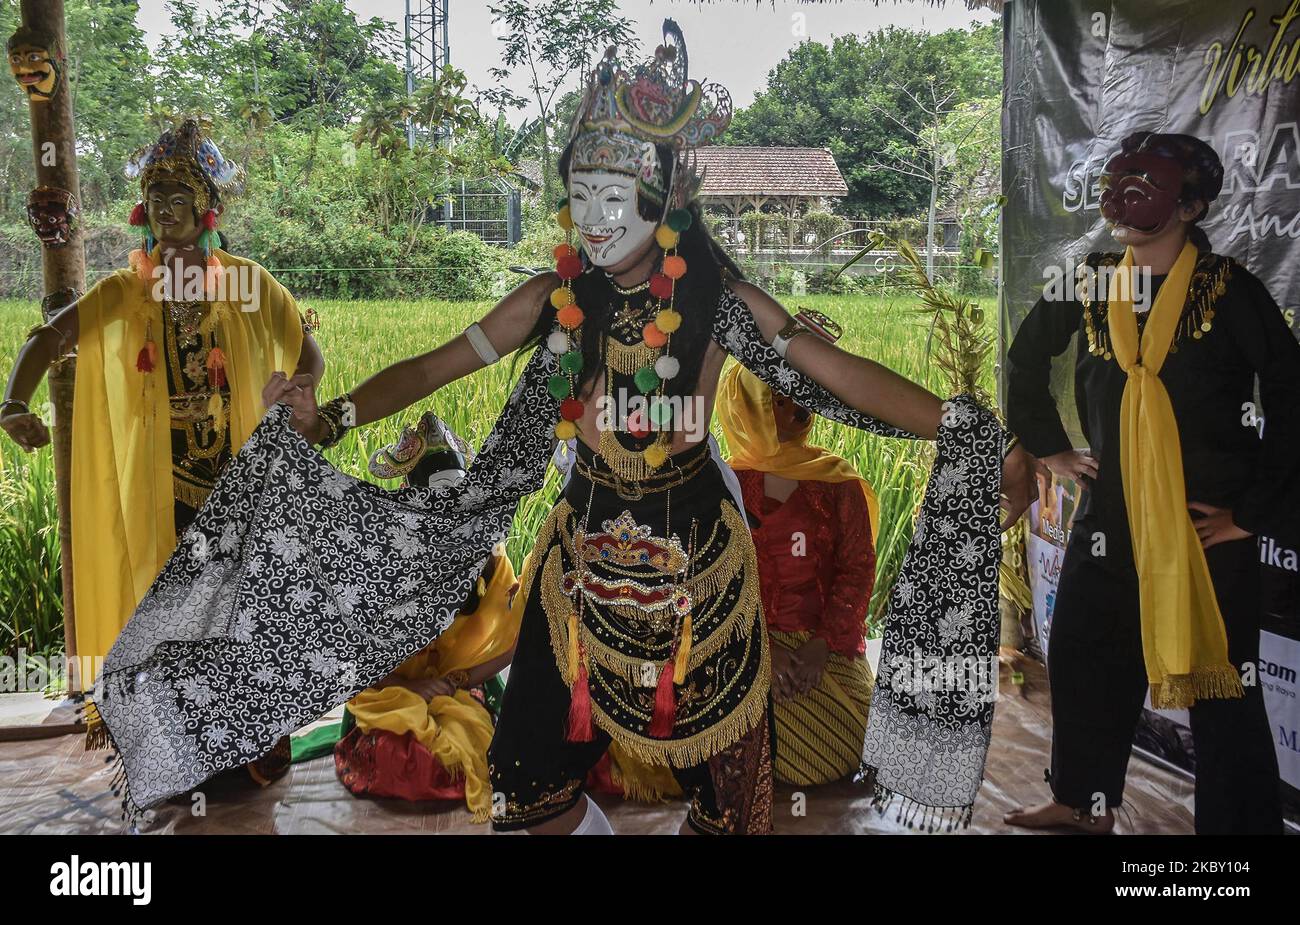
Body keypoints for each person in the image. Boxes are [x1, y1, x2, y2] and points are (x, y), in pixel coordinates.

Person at [93, 21, 1033, 830]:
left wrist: (962, 426)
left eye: (612, 198)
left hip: (699, 560)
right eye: (577, 196)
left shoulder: (721, 300)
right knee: (525, 783)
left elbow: (843, 375)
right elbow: (436, 364)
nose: (590, 220)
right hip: (577, 564)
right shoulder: (554, 300)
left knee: (735, 799)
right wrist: (331, 412)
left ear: (662, 199)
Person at [0, 118, 324, 784]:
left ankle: (244, 756)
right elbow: (46, 340)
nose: (168, 204)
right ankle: (175, 756)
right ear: (143, 209)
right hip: (164, 497)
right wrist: (13, 403)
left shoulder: (249, 284)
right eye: (157, 192)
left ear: (211, 207)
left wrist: (301, 396)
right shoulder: (125, 291)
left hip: (235, 490)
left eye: (181, 189)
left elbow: (308, 354)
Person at [1003, 131, 1297, 834]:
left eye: (1148, 182)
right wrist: (1049, 449)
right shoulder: (1094, 277)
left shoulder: (1230, 291)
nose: (1127, 194)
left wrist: (1251, 513)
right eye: (1121, 178)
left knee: (1223, 689)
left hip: (1202, 530)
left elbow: (1292, 393)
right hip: (1109, 516)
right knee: (1082, 659)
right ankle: (1083, 803)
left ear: (1190, 204)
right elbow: (1024, 359)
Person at [716, 310, 879, 787]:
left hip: (819, 645)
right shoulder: (722, 484)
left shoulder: (837, 483)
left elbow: (856, 571)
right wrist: (761, 655)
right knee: (736, 739)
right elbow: (710, 581)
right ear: (750, 402)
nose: (797, 412)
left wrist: (820, 647)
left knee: (857, 738)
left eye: (804, 399)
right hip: (744, 646)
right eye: (779, 399)